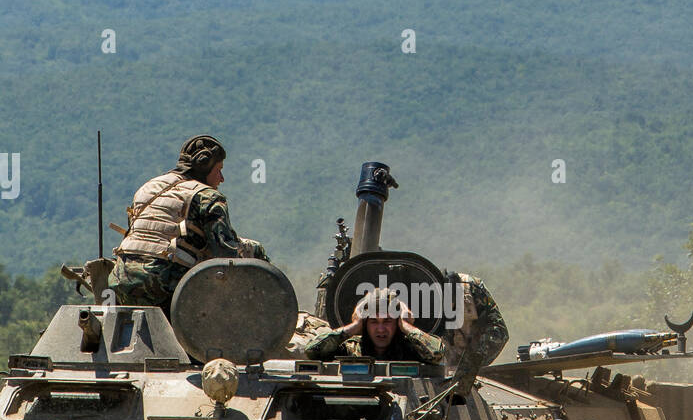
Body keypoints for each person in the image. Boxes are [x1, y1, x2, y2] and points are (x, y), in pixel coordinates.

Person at [108, 134, 269, 314]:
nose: (221, 178)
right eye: (218, 170)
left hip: (120, 282)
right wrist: (255, 251)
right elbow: (225, 254)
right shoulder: (208, 196)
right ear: (204, 166)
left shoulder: (148, 188)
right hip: (162, 286)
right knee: (254, 252)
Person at [304, 288, 444, 364]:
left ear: (397, 323)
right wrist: (354, 326)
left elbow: (436, 354)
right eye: (374, 322)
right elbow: (312, 351)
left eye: (388, 321)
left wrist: (405, 325)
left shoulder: (411, 349)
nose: (381, 329)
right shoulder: (351, 349)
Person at [441, 271, 509, 388]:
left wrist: (470, 365)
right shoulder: (426, 294)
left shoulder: (473, 289)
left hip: (472, 351)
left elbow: (499, 333)